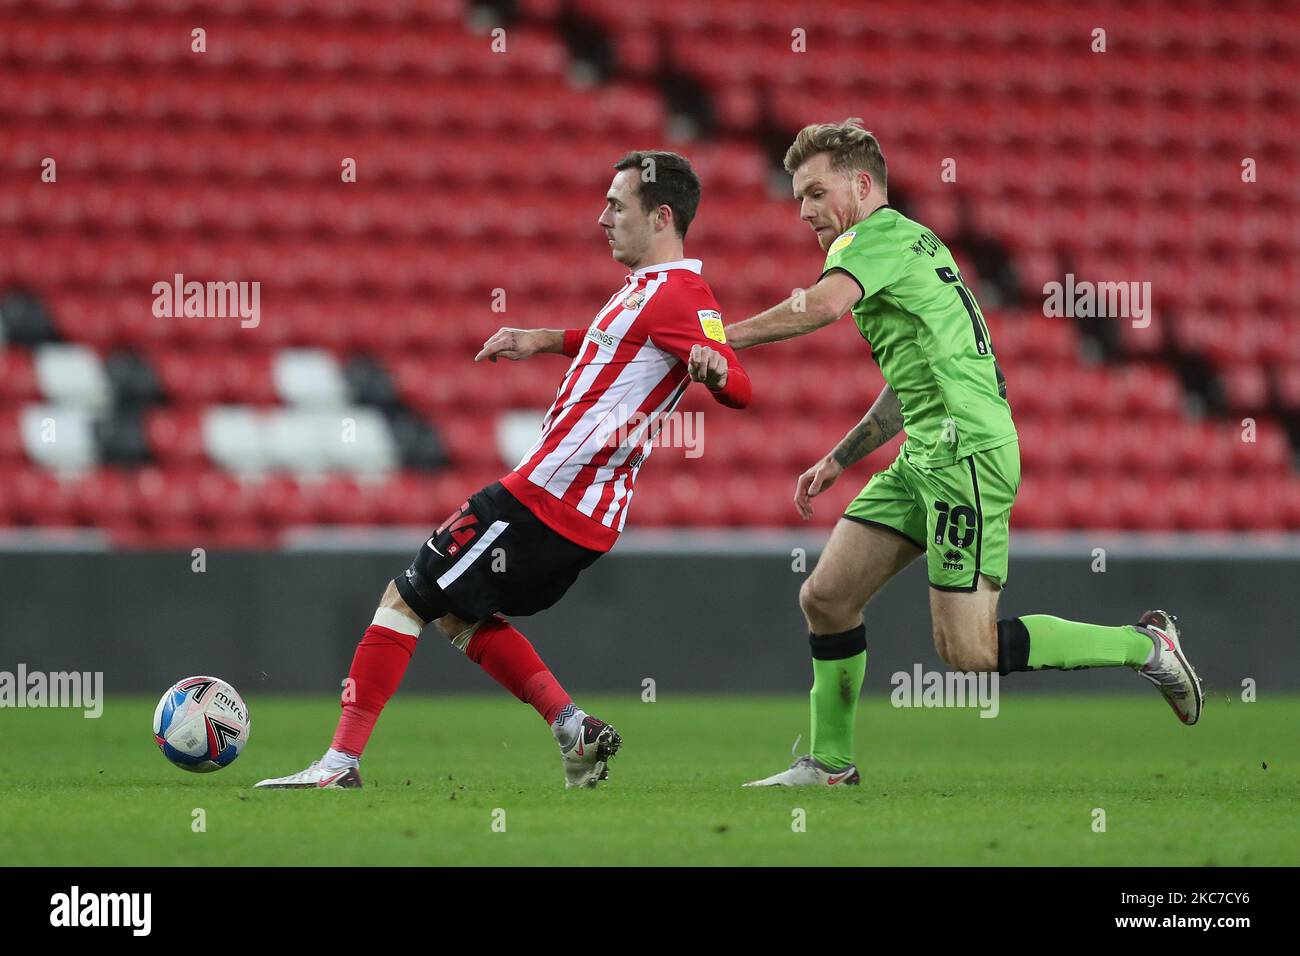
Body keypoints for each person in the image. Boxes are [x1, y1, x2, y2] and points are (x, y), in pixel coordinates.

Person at [721, 119, 1201, 788]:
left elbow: (821, 308)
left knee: (969, 651)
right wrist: (842, 455)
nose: (803, 210)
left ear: (862, 186)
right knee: (827, 596)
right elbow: (912, 374)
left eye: (815, 192)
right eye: (798, 196)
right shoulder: (910, 243)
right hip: (926, 452)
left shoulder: (871, 239)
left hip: (966, 453)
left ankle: (1144, 646)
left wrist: (719, 338)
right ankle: (829, 764)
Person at [256, 150, 750, 790]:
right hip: (580, 514)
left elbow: (737, 380)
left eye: (615, 205)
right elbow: (614, 343)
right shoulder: (648, 291)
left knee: (405, 599)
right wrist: (541, 338)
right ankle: (573, 731)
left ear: (661, 217)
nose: (601, 218)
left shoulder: (683, 292)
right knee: (459, 613)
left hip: (544, 498)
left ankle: (338, 764)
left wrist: (717, 375)